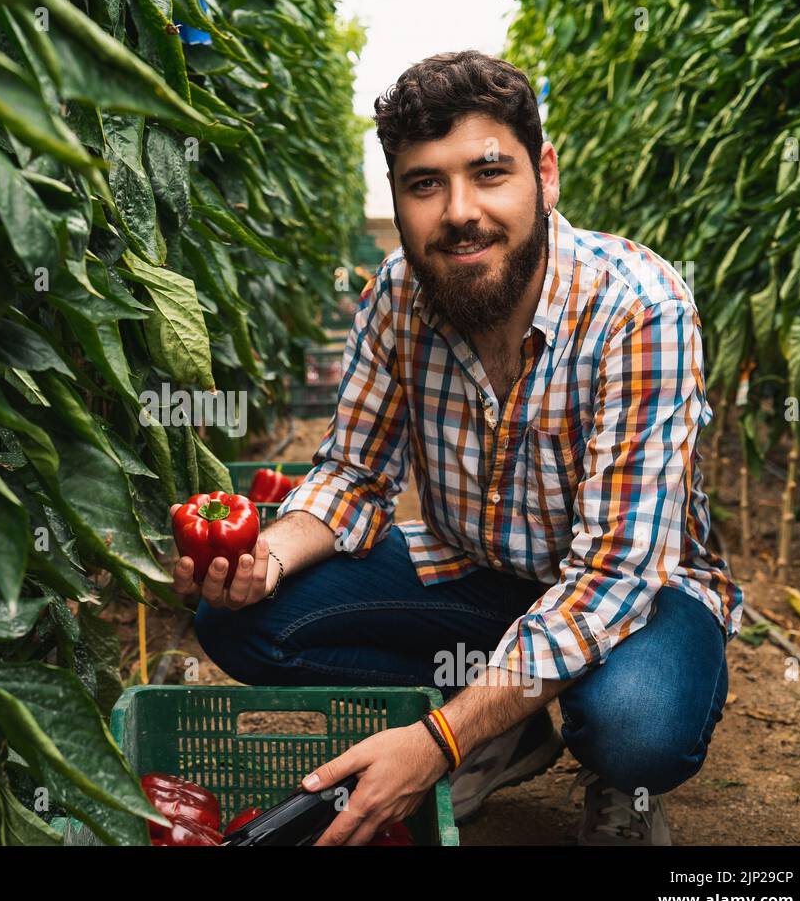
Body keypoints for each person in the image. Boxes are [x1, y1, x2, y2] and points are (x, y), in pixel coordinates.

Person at [167, 50, 743, 846]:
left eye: (488, 172)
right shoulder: (398, 294)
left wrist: (437, 742)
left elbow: (613, 573)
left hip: (638, 594)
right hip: (479, 572)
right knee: (239, 622)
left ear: (545, 175)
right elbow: (352, 475)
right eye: (425, 183)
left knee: (637, 727)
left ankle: (591, 764)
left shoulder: (641, 310)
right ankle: (507, 724)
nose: (459, 210)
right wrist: (267, 556)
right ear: (399, 201)